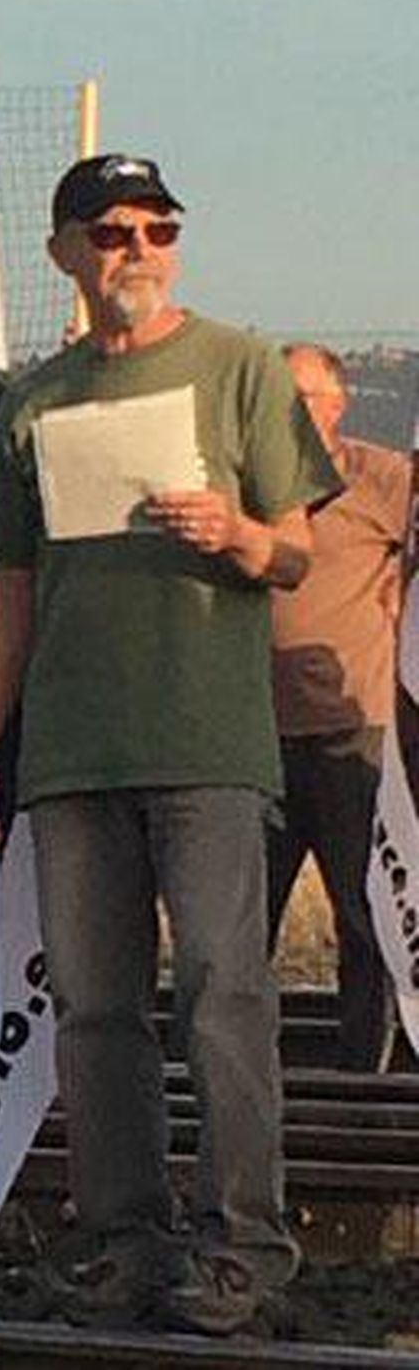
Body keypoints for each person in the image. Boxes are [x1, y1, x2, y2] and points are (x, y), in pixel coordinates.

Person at [0, 155, 336, 1337]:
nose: (138, 249)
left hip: (207, 743)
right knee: (95, 1008)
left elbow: (298, 551)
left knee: (225, 996)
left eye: (158, 226)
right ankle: (119, 1236)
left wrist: (237, 533)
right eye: (112, 231)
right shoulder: (35, 402)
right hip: (71, 753)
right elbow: (7, 586)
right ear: (64, 251)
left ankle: (241, 1244)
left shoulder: (237, 368)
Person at [268, 341, 409, 1071]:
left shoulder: (378, 477)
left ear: (337, 401)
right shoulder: (245, 481)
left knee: (365, 918)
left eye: (303, 395)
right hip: (253, 738)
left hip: (353, 733)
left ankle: (368, 1077)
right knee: (235, 928)